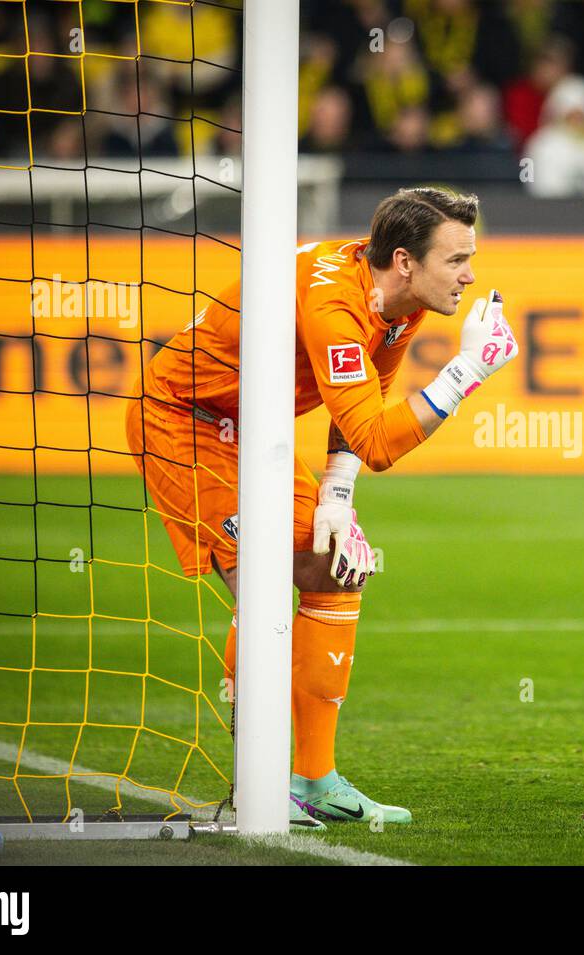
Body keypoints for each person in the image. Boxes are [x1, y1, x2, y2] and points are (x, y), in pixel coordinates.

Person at [125, 188, 518, 827]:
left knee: (338, 570)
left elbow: (359, 413)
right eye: (458, 260)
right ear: (405, 261)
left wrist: (338, 495)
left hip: (251, 430)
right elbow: (377, 442)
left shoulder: (398, 306)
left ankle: (314, 780)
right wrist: (467, 370)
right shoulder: (335, 303)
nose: (472, 274)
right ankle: (257, 780)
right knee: (261, 586)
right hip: (182, 422)